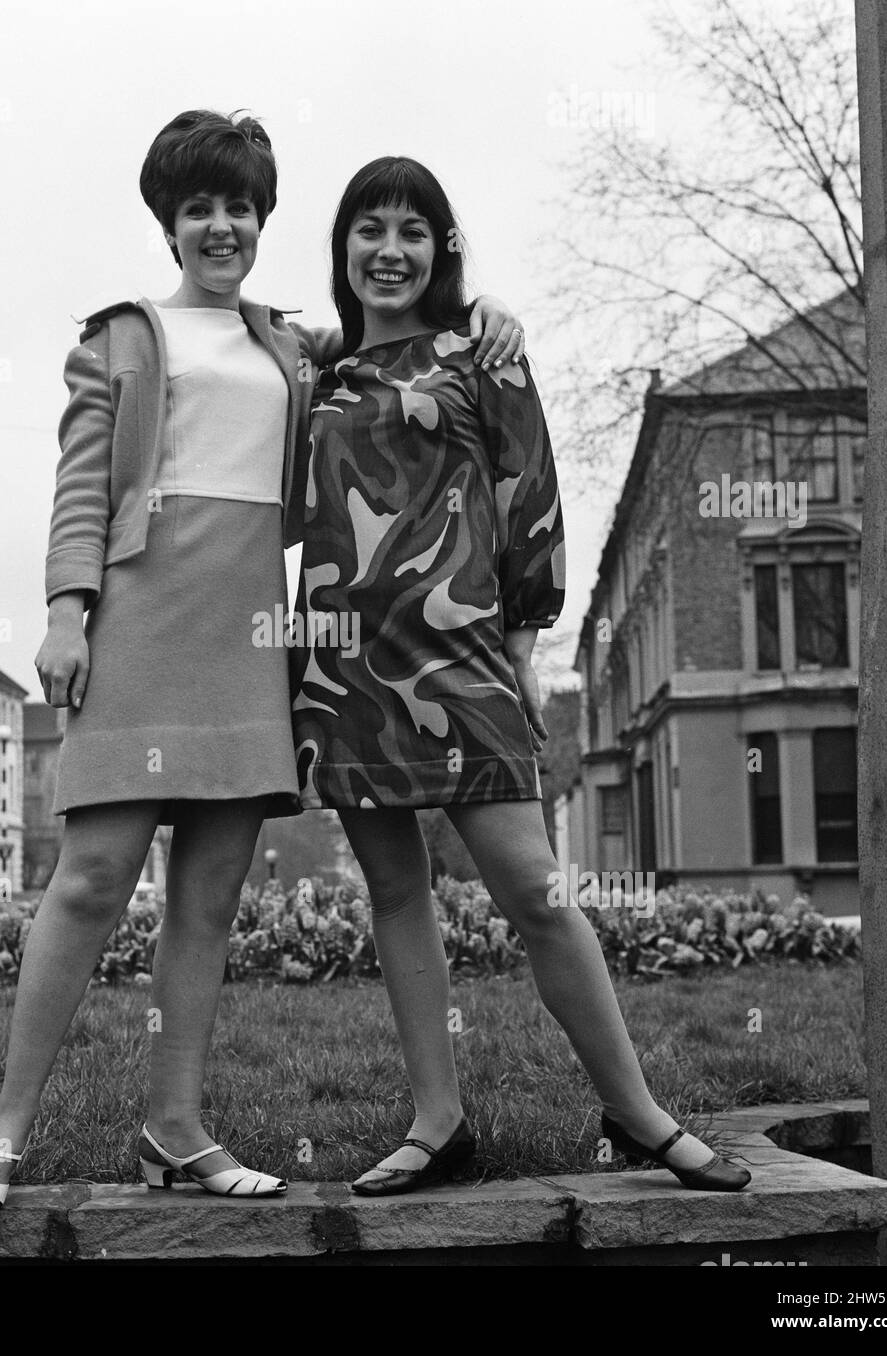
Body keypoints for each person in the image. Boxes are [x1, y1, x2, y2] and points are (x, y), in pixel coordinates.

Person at [0, 114, 526, 1219]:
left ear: (263, 220)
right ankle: (2, 1130)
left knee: (205, 902)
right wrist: (67, 615)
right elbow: (78, 488)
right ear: (170, 224)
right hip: (142, 626)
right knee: (89, 882)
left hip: (253, 645)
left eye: (240, 208)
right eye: (199, 208)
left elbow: (403, 341)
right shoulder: (119, 337)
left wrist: (481, 308)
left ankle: (174, 1133)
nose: (222, 225)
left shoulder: (296, 348)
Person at [289, 155, 751, 1196]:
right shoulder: (315, 372)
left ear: (443, 249)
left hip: (463, 657)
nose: (391, 250)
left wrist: (527, 640)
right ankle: (437, 1121)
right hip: (344, 673)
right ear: (343, 248)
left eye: (415, 231)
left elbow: (527, 487)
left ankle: (635, 1115)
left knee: (539, 895)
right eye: (370, 229)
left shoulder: (481, 352)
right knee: (395, 891)